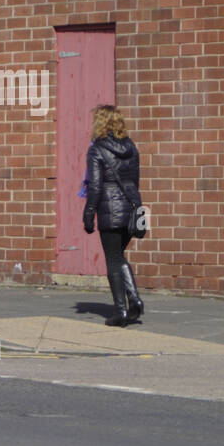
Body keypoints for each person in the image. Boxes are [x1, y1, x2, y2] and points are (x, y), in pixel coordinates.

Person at [81, 104, 144, 326]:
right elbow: (135, 181)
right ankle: (134, 299)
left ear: (100, 123)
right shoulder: (131, 147)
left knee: (113, 260)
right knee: (119, 256)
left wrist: (88, 214)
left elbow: (95, 187)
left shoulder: (97, 149)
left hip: (109, 211)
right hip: (131, 209)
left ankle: (121, 312)